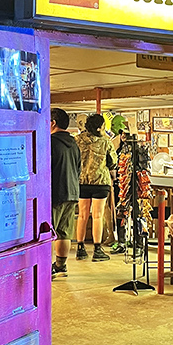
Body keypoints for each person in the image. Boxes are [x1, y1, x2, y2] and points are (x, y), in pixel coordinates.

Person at [75, 113, 117, 261]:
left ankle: (80, 248)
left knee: (82, 215)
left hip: (81, 182)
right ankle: (97, 249)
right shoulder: (106, 142)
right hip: (100, 182)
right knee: (98, 215)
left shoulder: (77, 140)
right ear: (100, 126)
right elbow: (113, 162)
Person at [50, 108, 81, 278]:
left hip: (56, 193)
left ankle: (47, 268)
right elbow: (78, 169)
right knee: (64, 231)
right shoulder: (74, 144)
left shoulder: (50, 142)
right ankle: (61, 266)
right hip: (72, 193)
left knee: (48, 232)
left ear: (53, 123)